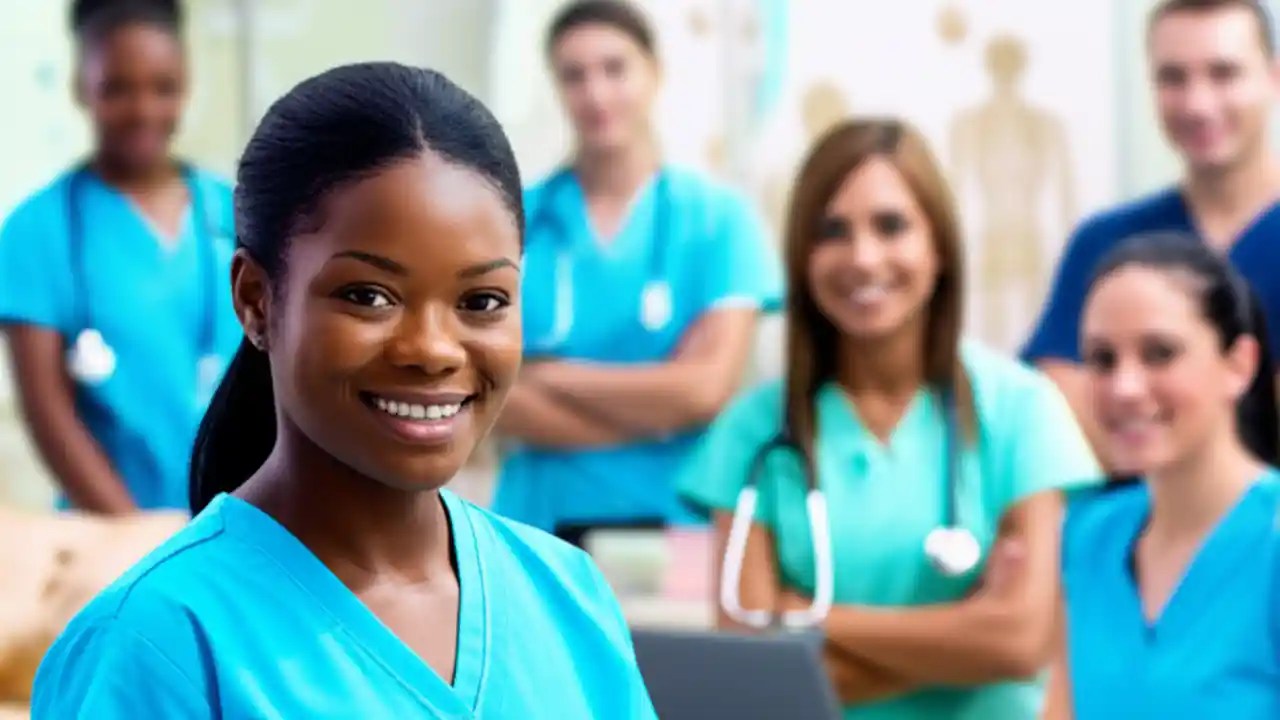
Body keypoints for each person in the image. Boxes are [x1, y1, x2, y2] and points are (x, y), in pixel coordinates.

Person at [30, 62, 657, 719]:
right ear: (256, 300)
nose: (433, 350)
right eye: (369, 295)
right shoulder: (155, 645)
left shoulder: (567, 597)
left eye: (481, 301)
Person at [678, 119, 1100, 720]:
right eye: (832, 231)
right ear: (802, 256)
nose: (863, 257)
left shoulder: (1020, 410)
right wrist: (967, 638)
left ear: (939, 246)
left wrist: (806, 616)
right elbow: (756, 674)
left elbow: (1020, 642)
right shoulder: (753, 432)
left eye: (891, 226)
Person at [492, 0, 783, 544]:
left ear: (655, 73)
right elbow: (490, 400)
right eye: (574, 76)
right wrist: (660, 406)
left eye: (614, 68)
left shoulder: (719, 221)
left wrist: (548, 376)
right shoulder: (511, 222)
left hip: (676, 524)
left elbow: (704, 391)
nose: (596, 94)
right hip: (535, 525)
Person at [0, 0, 238, 513]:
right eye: (117, 89)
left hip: (241, 523)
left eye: (163, 87)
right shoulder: (36, 231)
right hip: (112, 532)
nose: (143, 111)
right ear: (79, 86)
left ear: (186, 83)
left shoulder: (236, 213)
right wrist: (140, 537)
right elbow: (48, 414)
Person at [1022, 0, 1280, 472]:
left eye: (1223, 73)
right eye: (1173, 78)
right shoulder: (1106, 242)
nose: (1198, 103)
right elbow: (1057, 403)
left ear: (1273, 77)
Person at [1049, 232, 1280, 718]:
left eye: (1159, 353)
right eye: (1102, 360)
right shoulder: (1086, 536)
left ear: (1239, 365)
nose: (1125, 387)